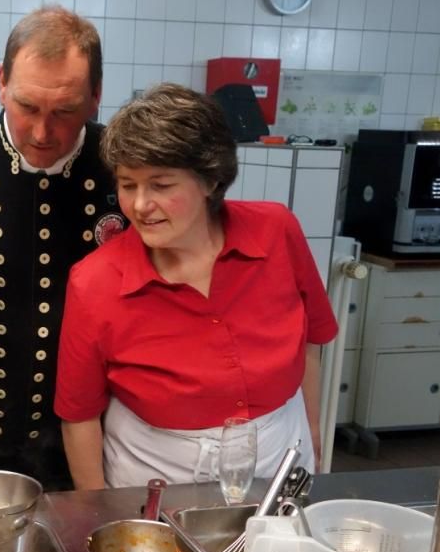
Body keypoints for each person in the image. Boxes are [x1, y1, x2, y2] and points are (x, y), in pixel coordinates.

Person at [54, 83, 338, 490]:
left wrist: (312, 430)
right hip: (155, 478)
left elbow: (312, 340)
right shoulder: (95, 282)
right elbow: (79, 417)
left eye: (161, 185)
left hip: (279, 460)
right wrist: (95, 512)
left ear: (210, 181)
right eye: (128, 184)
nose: (139, 205)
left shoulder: (276, 232)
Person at [0, 5, 127, 490]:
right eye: (26, 107)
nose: (43, 133)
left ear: (95, 97)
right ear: (2, 83)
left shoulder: (124, 169)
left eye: (65, 111)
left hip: (93, 442)